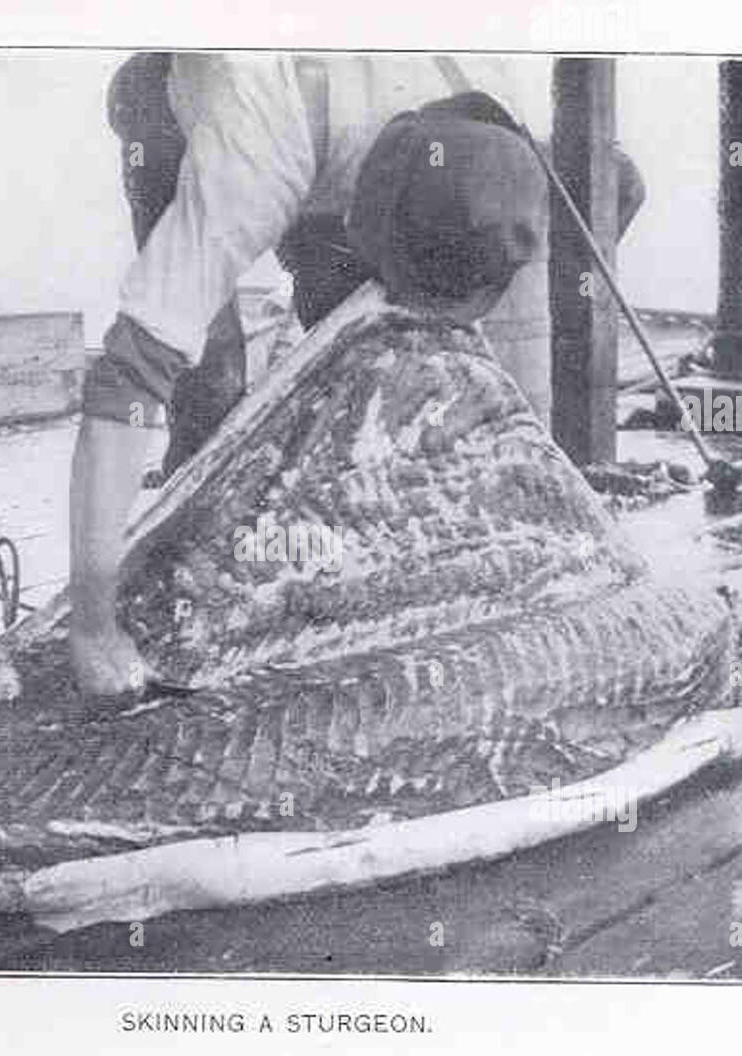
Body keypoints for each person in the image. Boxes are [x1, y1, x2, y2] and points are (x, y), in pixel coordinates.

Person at [69, 53, 644, 696]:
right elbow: (127, 377)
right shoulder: (252, 156)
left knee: (364, 373)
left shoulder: (492, 108)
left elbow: (620, 183)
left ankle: (320, 537)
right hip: (191, 109)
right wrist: (91, 623)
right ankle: (186, 595)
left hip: (347, 133)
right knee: (211, 385)